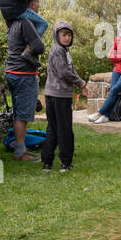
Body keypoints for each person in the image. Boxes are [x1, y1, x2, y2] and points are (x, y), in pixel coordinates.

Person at [41, 20, 86, 172]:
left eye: (69, 35)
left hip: (56, 94)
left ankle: (47, 162)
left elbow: (70, 69)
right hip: (58, 95)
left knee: (54, 128)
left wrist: (81, 83)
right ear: (56, 35)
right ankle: (65, 162)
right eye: (63, 34)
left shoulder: (64, 50)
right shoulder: (57, 50)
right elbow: (64, 72)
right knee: (63, 128)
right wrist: (80, 82)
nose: (67, 38)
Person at [5, 0, 45, 161]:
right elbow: (38, 46)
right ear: (31, 4)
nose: (38, 7)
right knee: (22, 114)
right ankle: (20, 153)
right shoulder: (26, 23)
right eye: (37, 3)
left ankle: (19, 146)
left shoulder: (13, 22)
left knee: (17, 112)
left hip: (12, 72)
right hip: (24, 74)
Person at [89, 17, 121, 124]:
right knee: (113, 90)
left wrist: (119, 59)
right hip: (117, 69)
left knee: (115, 89)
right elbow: (111, 56)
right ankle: (106, 116)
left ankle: (100, 113)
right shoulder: (117, 40)